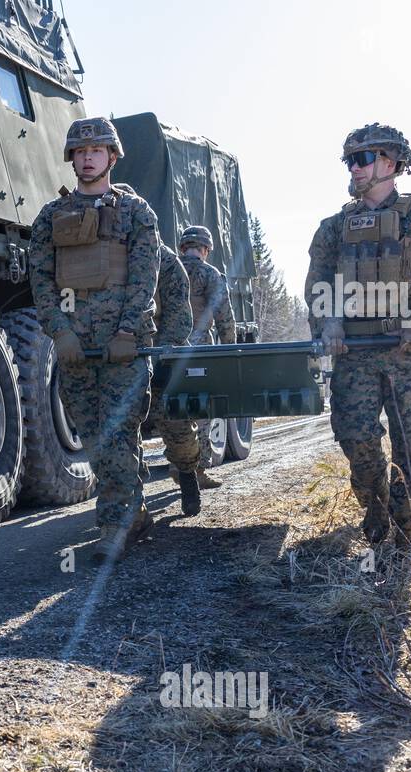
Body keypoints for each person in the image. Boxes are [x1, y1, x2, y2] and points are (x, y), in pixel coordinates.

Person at [304, 123, 411, 548]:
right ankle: (375, 505)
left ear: (390, 163)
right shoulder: (332, 229)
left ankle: (406, 533)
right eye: (350, 161)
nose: (354, 169)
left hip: (410, 353)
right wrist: (328, 323)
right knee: (356, 440)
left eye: (361, 159)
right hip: (355, 354)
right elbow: (316, 285)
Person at [28, 117, 162, 562]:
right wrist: (59, 331)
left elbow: (146, 277)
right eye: (80, 152)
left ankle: (115, 524)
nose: (87, 157)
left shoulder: (136, 212)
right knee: (94, 437)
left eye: (96, 150)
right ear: (72, 158)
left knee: (116, 433)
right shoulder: (51, 216)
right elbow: (41, 279)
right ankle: (133, 507)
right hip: (74, 350)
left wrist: (128, 331)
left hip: (122, 347)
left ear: (112, 156)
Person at [144, 242, 202, 515]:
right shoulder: (97, 253)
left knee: (176, 426)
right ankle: (130, 509)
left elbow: (179, 315)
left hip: (158, 354)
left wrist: (164, 360)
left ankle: (188, 476)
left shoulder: (164, 260)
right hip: (117, 359)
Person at [178, 225, 237, 489]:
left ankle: (175, 463)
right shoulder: (210, 273)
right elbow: (225, 317)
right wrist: (229, 351)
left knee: (173, 411)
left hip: (167, 352)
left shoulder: (166, 271)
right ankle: (198, 472)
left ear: (182, 247)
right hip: (201, 353)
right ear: (206, 249)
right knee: (201, 410)